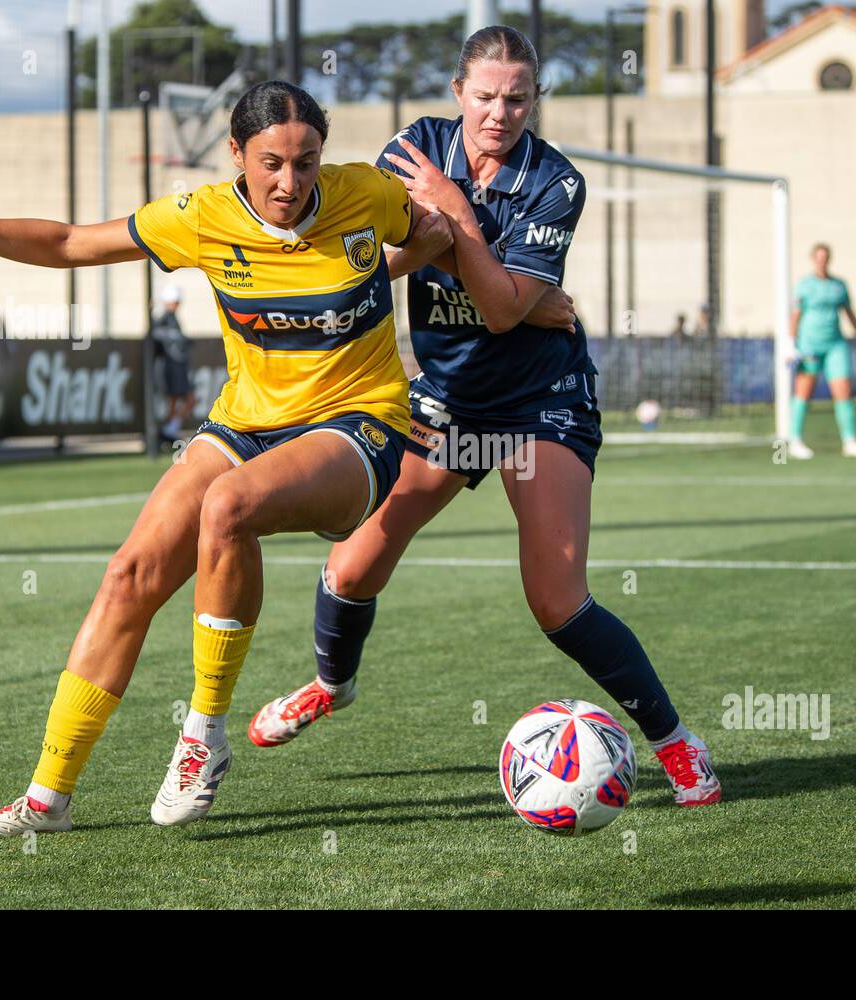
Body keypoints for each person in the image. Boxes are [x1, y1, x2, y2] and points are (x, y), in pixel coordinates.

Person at [0, 80, 455, 840]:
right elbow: (67, 243)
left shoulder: (366, 193)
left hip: (361, 427)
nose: (291, 182)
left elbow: (434, 236)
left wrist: (385, 275)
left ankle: (202, 737)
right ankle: (45, 799)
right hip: (245, 424)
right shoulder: (200, 217)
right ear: (235, 154)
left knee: (229, 507)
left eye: (306, 161)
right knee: (130, 573)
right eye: (271, 163)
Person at [248, 26, 722, 808]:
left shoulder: (555, 181)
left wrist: (459, 222)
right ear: (458, 92)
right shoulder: (413, 149)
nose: (500, 113)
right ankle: (332, 686)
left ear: (535, 100)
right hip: (449, 400)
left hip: (543, 404)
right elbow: (378, 262)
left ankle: (677, 743)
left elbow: (503, 313)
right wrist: (472, 260)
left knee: (557, 601)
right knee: (352, 566)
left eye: (518, 98)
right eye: (486, 96)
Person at [786, 243, 856, 460]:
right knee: (803, 391)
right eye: (818, 257)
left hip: (835, 344)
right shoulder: (804, 286)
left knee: (843, 390)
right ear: (813, 259)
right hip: (809, 345)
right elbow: (796, 316)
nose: (822, 261)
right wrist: (791, 343)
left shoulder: (839, 286)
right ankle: (794, 440)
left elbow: (849, 312)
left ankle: (849, 441)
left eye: (825, 257)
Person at [150, 284, 195, 440]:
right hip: (171, 367)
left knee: (177, 401)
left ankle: (168, 431)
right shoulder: (165, 320)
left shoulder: (170, 319)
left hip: (176, 367)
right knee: (179, 400)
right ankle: (167, 432)